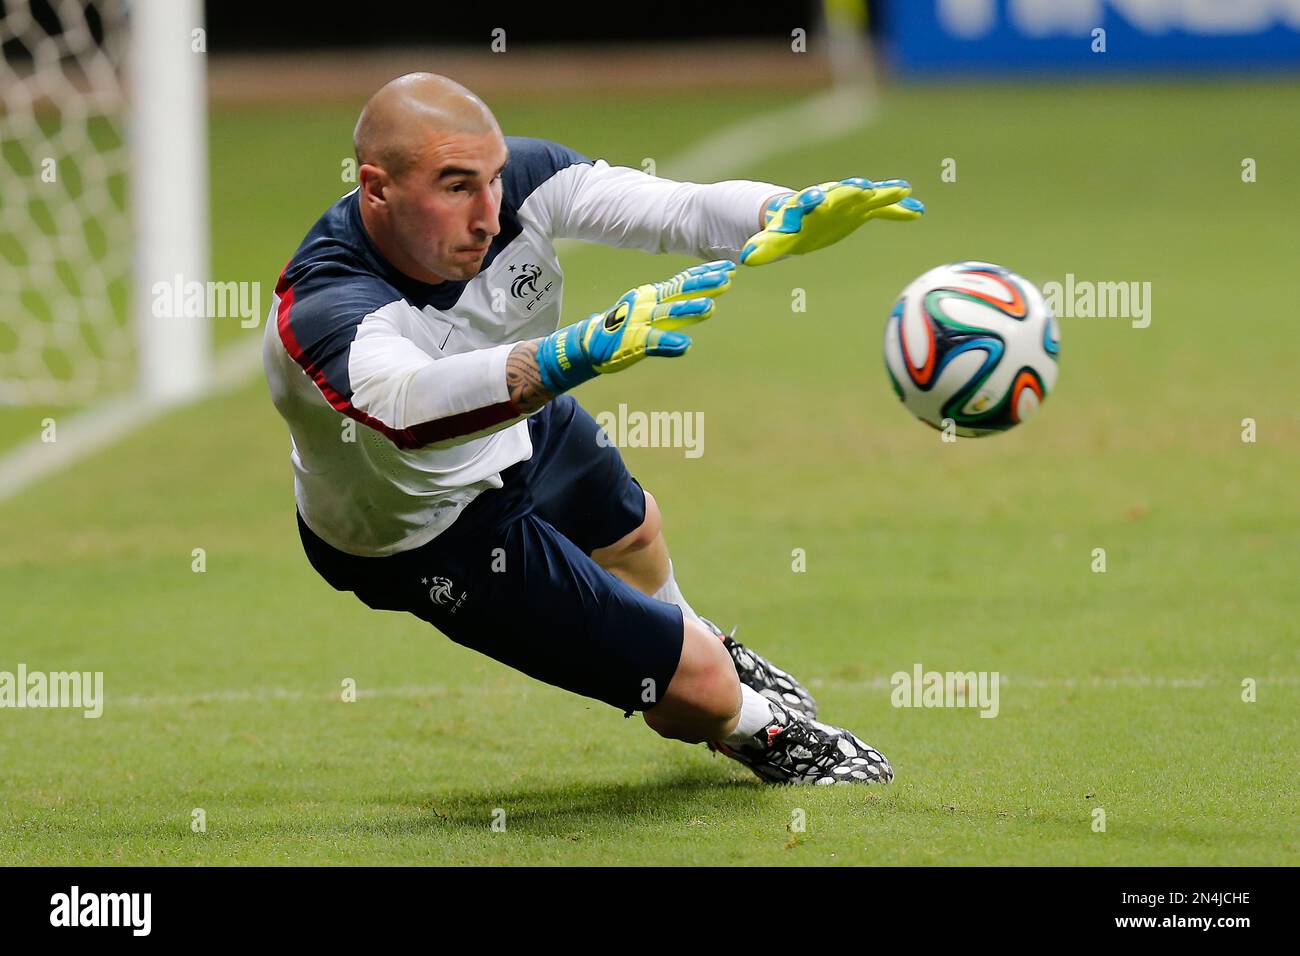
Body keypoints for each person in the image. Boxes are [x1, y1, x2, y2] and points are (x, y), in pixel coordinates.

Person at [262, 73, 924, 785]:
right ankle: (756, 729)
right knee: (694, 693)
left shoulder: (517, 181)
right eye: (456, 188)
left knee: (636, 531)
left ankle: (702, 649)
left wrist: (781, 211)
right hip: (426, 530)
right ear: (376, 188)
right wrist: (571, 354)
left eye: (492, 179)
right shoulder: (326, 305)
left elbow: (677, 209)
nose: (489, 213)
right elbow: (413, 411)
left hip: (523, 423)